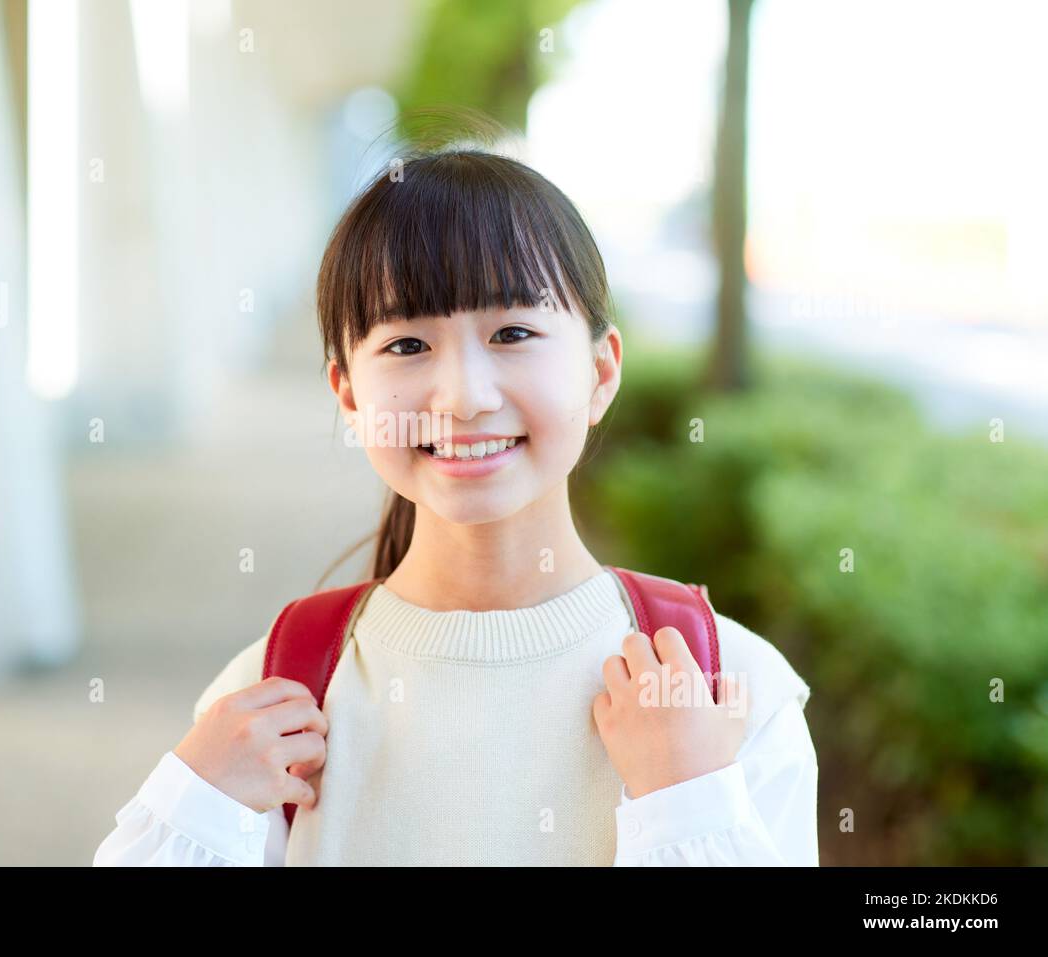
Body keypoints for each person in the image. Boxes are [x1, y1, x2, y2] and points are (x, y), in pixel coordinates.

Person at [93, 137, 817, 867]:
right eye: (408, 345)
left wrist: (687, 804)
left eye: (512, 333)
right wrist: (192, 811)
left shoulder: (727, 691)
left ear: (601, 371)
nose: (465, 396)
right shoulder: (268, 707)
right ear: (349, 392)